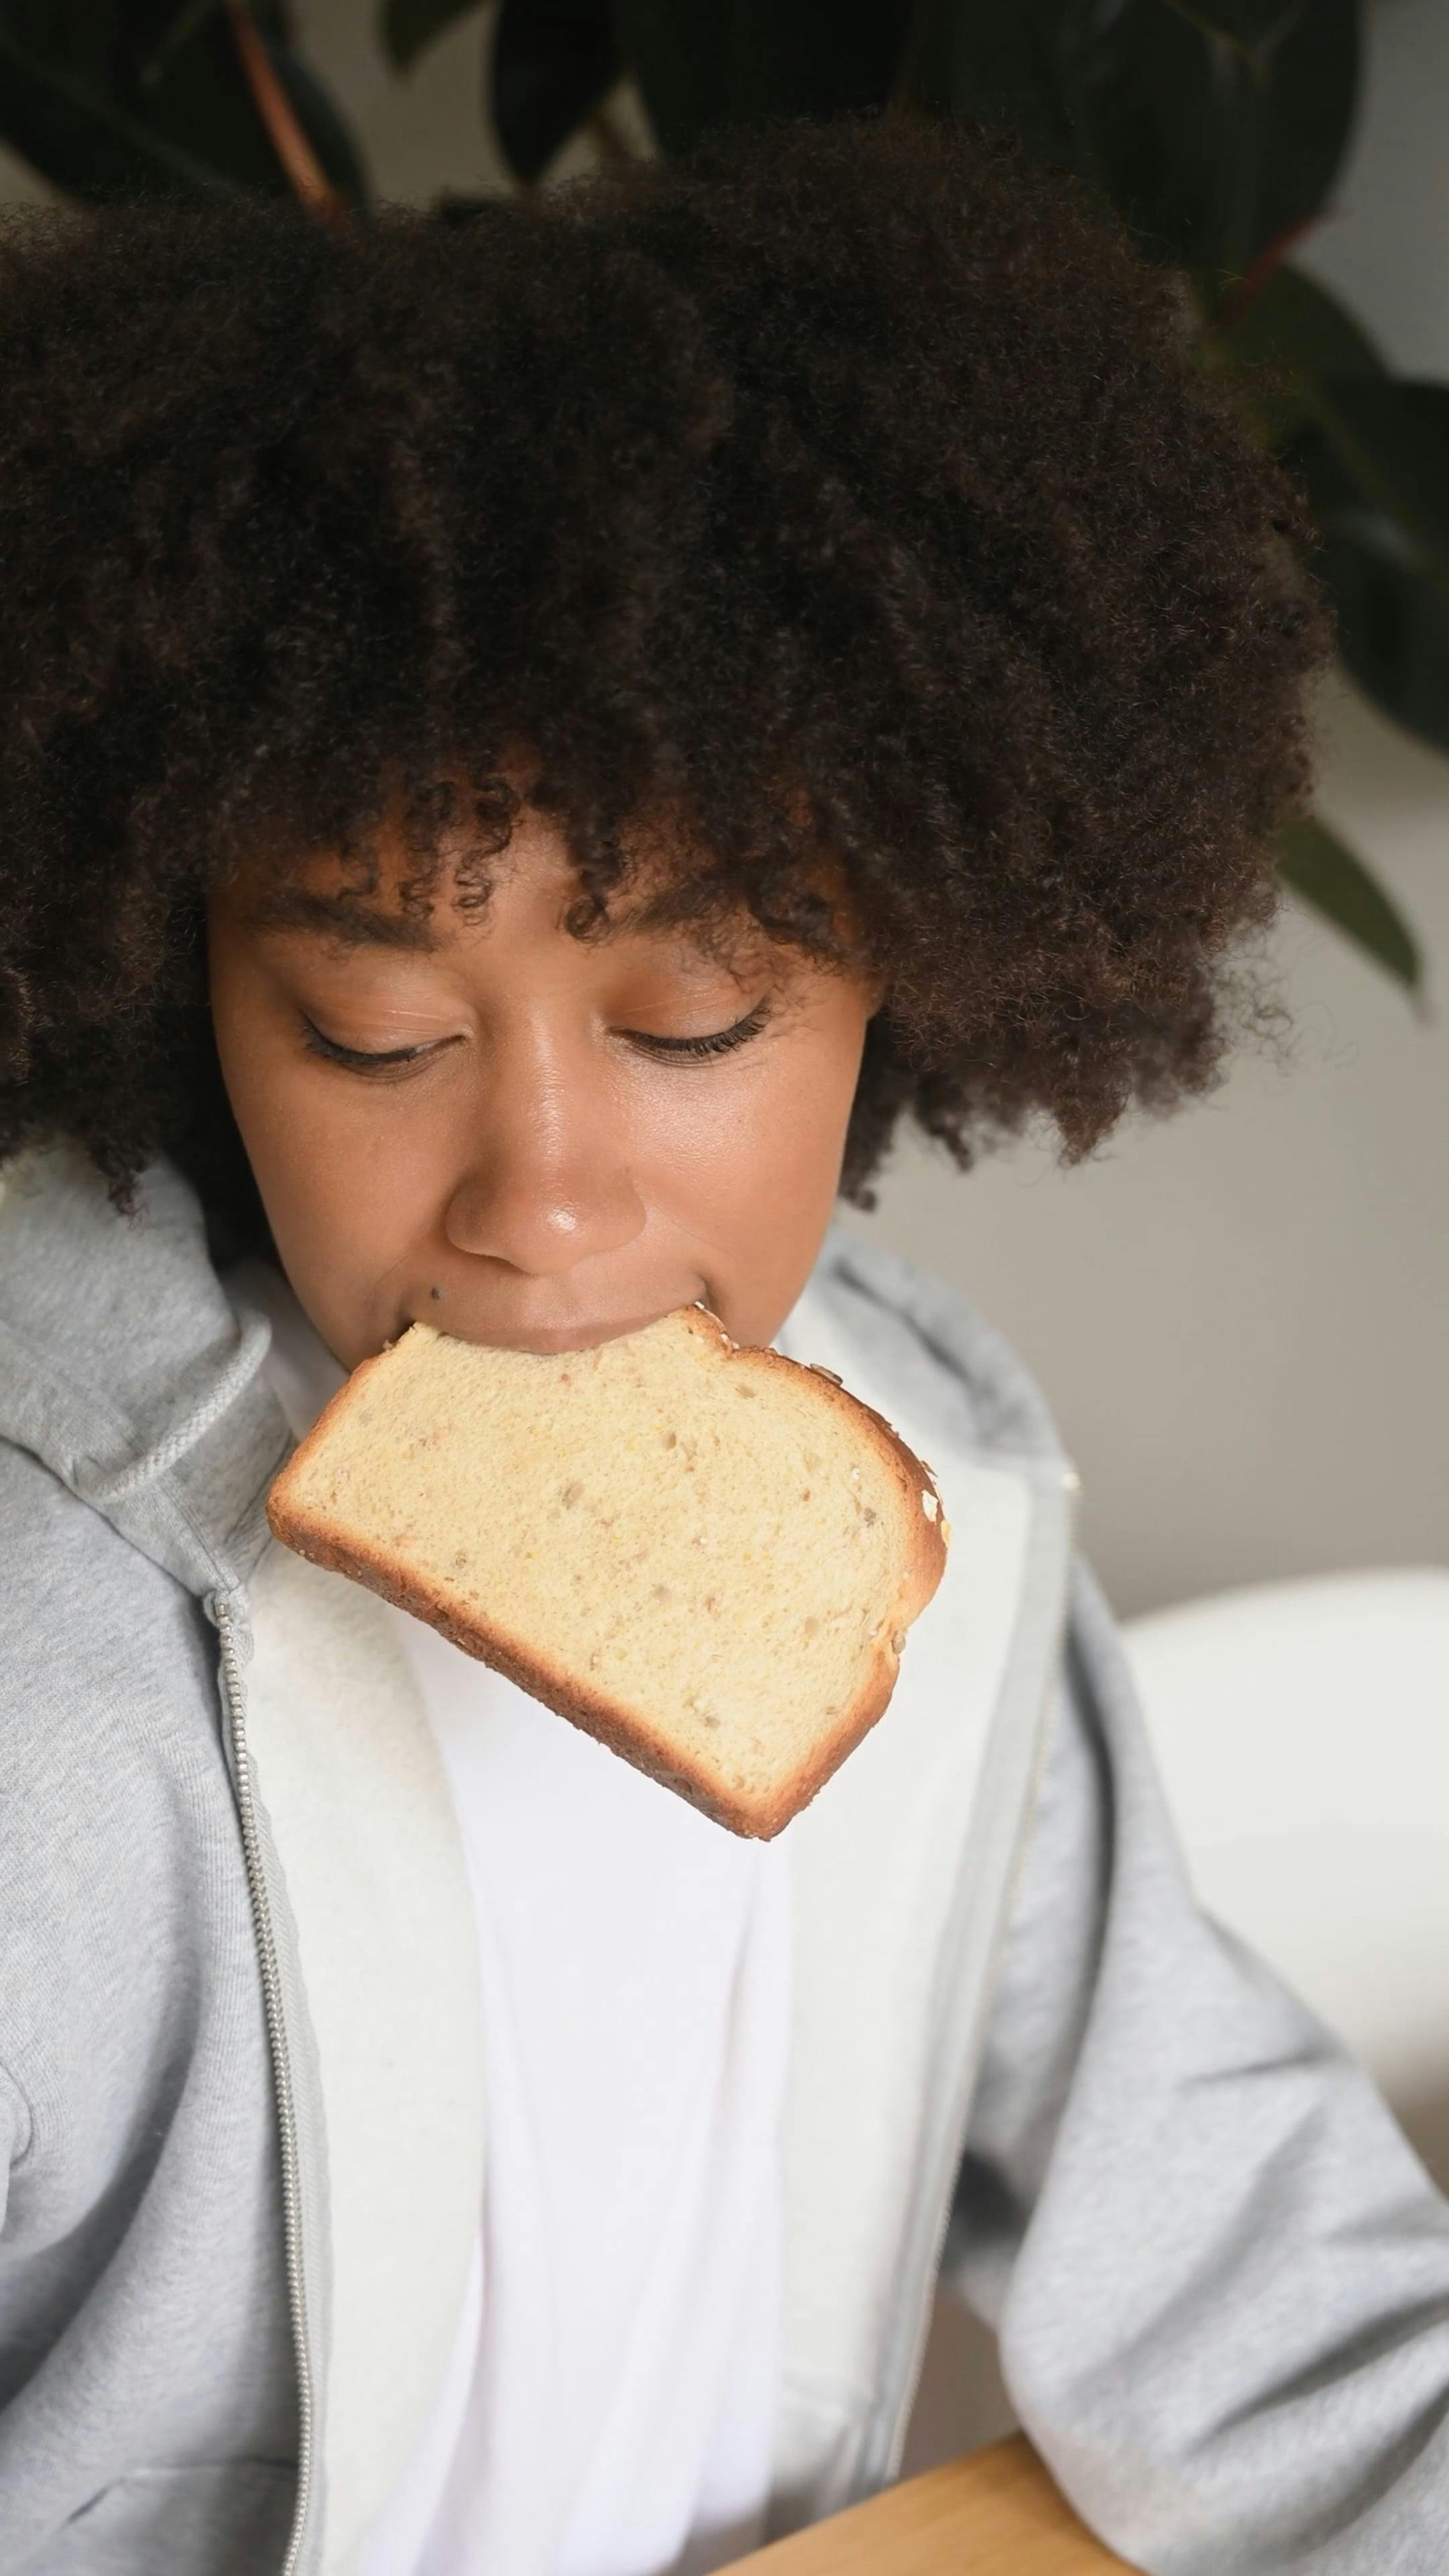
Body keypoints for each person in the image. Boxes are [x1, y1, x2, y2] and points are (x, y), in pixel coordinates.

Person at [1, 117, 1446, 2576]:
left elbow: (1271, 2297)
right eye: (370, 1034)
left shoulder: (938, 1523)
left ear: (920, 975)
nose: (542, 1197)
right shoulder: (52, 1693)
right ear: (178, 986)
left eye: (693, 1022)